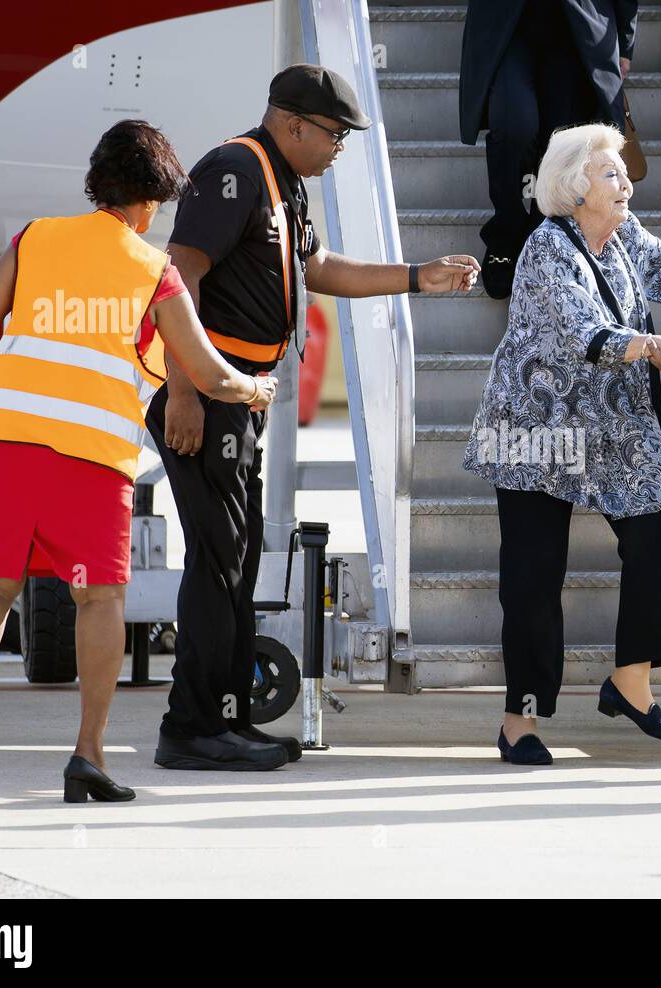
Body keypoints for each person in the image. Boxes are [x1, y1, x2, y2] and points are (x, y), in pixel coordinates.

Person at [151, 64, 480, 771]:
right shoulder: (236, 169)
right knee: (218, 562)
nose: (339, 147)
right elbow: (177, 275)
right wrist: (182, 391)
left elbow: (321, 268)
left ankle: (224, 719)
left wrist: (418, 277)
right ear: (291, 123)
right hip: (208, 398)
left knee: (234, 563)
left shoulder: (283, 181)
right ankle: (190, 727)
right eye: (333, 134)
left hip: (239, 398)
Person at [0, 120, 277, 803]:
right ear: (153, 198)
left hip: (1, 439)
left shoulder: (35, 238)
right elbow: (209, 375)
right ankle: (87, 756)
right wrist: (255, 388)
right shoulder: (155, 270)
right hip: (89, 453)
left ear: (99, 182)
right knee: (98, 598)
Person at [463, 123, 661, 765]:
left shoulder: (624, 237)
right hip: (539, 429)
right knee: (532, 578)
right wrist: (654, 344)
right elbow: (581, 329)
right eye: (611, 173)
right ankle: (520, 721)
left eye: (623, 172)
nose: (626, 183)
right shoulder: (544, 250)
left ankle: (631, 682)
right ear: (573, 185)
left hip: (615, 423)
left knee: (656, 533)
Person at [460, 0, 639, 298]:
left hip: (579, 24)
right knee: (513, 123)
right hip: (505, 24)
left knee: (561, 141)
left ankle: (541, 240)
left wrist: (625, 38)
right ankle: (506, 231)